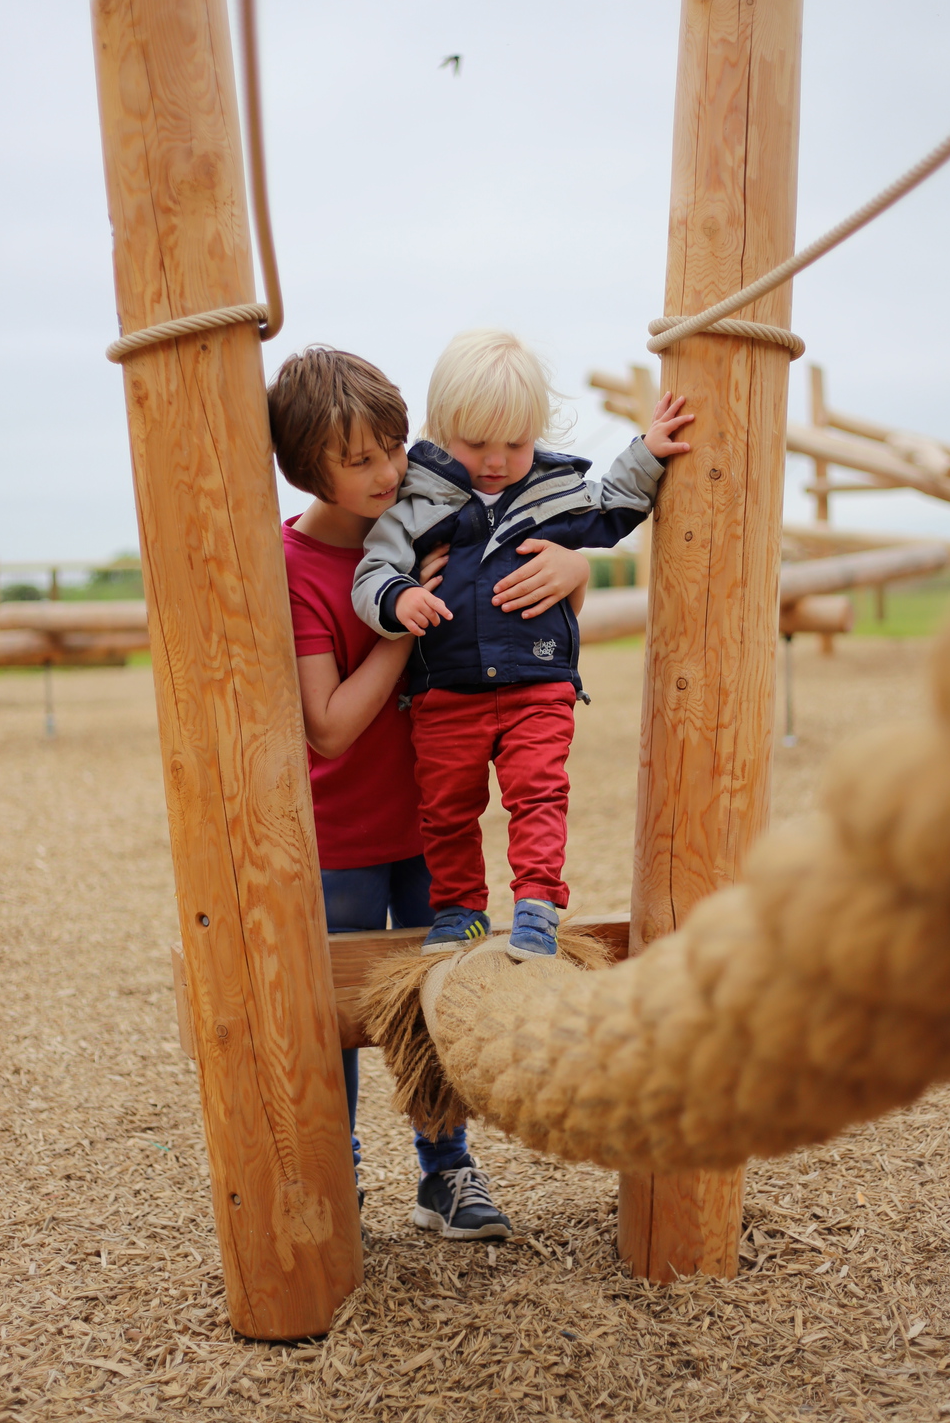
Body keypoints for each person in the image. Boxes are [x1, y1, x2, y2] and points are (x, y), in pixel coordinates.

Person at [266, 344, 591, 1240]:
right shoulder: (290, 568)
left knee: (437, 991)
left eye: (395, 448)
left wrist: (577, 568)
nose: (388, 471)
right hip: (340, 837)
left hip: (427, 825)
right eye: (360, 459)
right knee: (331, 1016)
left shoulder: (430, 517)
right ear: (307, 467)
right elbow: (328, 724)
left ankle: (446, 1171)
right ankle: (339, 1171)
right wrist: (408, 628)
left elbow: (530, 554)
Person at [352, 328, 693, 961]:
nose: (497, 459)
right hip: (444, 690)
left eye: (516, 442)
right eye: (476, 442)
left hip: (538, 683)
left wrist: (646, 451)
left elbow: (614, 503)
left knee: (539, 793)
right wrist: (399, 599)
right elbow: (373, 571)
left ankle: (537, 905)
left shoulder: (551, 490)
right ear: (440, 429)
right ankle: (461, 910)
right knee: (447, 807)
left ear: (536, 430)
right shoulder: (416, 502)